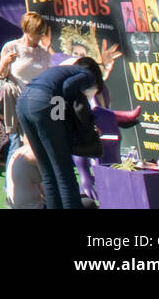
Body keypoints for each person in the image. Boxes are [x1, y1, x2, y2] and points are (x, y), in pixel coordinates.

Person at [13, 56, 104, 210]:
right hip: (42, 102)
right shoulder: (87, 76)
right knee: (64, 171)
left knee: (47, 171)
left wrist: (59, 120)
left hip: (23, 103)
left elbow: (60, 94)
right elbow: (66, 90)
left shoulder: (60, 72)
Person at [0, 11, 52, 158]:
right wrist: (4, 63)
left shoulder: (44, 53)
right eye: (38, 32)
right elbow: (0, 74)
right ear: (28, 30)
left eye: (43, 32)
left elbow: (47, 78)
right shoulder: (11, 47)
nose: (41, 35)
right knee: (16, 144)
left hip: (37, 103)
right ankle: (11, 181)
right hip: (17, 101)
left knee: (38, 146)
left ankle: (35, 180)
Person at [5, 139, 45, 209]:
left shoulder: (20, 151)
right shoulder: (35, 154)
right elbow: (48, 189)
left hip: (14, 205)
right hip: (32, 206)